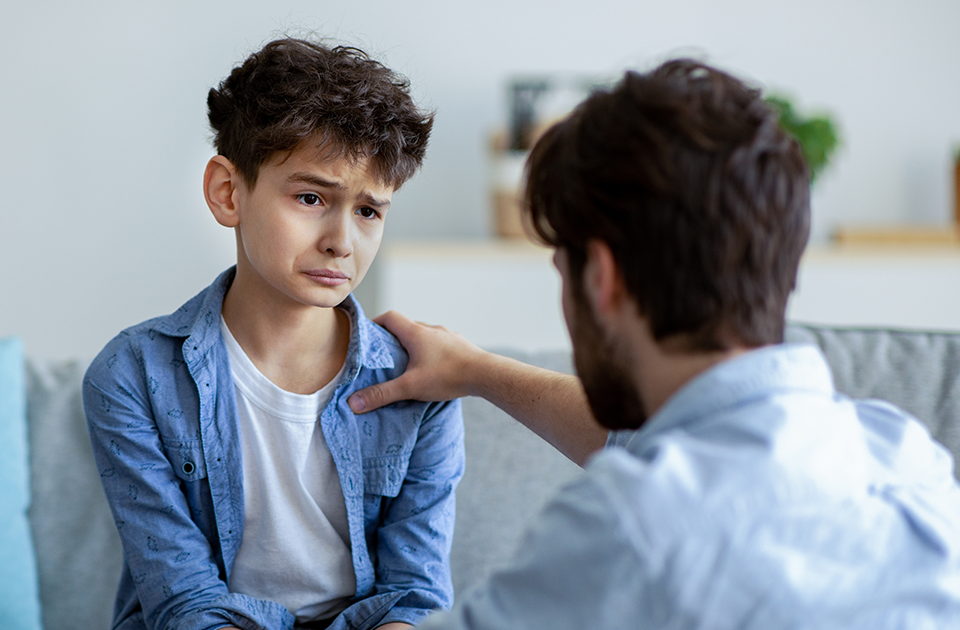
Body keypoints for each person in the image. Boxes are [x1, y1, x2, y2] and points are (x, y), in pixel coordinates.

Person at [348, 59, 960, 627]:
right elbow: (687, 439)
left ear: (602, 278)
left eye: (563, 274)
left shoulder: (630, 522)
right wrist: (477, 371)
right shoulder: (908, 459)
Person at [83, 38, 463, 630]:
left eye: (368, 211)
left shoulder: (421, 384)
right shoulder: (133, 376)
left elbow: (412, 598)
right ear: (228, 193)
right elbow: (184, 602)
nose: (342, 242)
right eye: (311, 197)